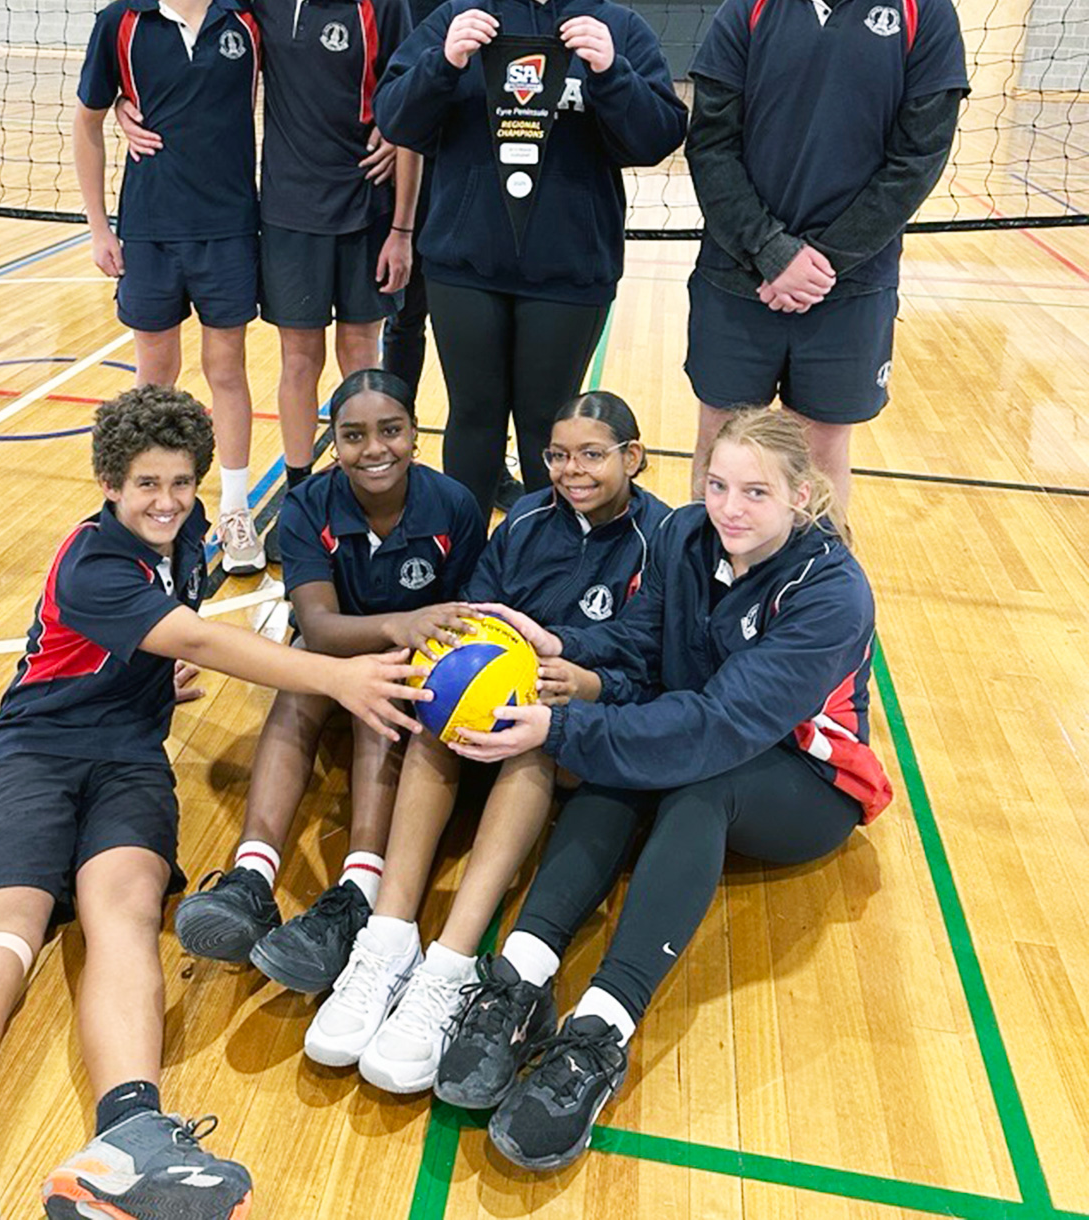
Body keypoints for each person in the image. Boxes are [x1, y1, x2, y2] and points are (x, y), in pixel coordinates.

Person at [0, 384, 426, 1220]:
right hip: (37, 754)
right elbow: (204, 637)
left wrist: (144, 674)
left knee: (128, 916)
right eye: (146, 483)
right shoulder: (95, 559)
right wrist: (341, 677)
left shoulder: (190, 537)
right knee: (4, 932)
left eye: (181, 481)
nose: (167, 500)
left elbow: (163, 631)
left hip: (130, 758)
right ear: (109, 483)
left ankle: (128, 1139)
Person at [431, 407, 893, 1172]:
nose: (729, 508)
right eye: (717, 484)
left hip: (805, 781)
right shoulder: (685, 534)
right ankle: (521, 974)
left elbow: (718, 726)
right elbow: (641, 643)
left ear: (803, 497)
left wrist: (563, 732)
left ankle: (602, 1029)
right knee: (634, 751)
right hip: (698, 730)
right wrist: (562, 645)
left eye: (755, 493)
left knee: (694, 780)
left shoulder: (832, 594)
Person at [302, 391, 670, 1093]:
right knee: (440, 717)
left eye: (591, 454)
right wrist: (468, 669)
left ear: (634, 456)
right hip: (508, 696)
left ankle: (451, 965)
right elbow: (476, 610)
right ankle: (387, 941)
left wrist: (567, 666)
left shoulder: (663, 538)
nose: (570, 470)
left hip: (587, 714)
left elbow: (647, 650)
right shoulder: (525, 518)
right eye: (557, 455)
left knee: (534, 735)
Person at [340, 0, 657, 512]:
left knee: (549, 427)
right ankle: (460, 554)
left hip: (568, 264)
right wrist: (444, 64)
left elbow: (654, 135)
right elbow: (398, 114)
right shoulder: (453, 13)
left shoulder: (615, 27)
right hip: (465, 256)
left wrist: (610, 75)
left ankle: (549, 558)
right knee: (472, 420)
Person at [116, 0, 421, 550]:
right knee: (295, 361)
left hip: (366, 209)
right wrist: (132, 104)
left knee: (361, 355)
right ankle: (300, 492)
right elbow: (181, 16)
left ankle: (368, 487)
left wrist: (402, 211)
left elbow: (410, 112)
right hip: (284, 212)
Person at [684, 0, 969, 509]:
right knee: (723, 441)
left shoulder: (923, 13)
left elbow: (916, 163)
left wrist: (822, 264)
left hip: (851, 285)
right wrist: (773, 252)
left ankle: (814, 605)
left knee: (822, 448)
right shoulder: (748, 5)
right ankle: (698, 596)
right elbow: (710, 145)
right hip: (736, 275)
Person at [174, 369, 485, 995]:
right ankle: (253, 877)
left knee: (382, 692)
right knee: (310, 682)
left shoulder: (454, 505)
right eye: (353, 435)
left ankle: (355, 893)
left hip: (411, 677)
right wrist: (400, 624)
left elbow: (466, 622)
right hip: (333, 661)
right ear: (333, 444)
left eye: (390, 430)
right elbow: (316, 626)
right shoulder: (309, 505)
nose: (374, 449)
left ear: (415, 435)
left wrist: (403, 651)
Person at [73, 0, 265, 578]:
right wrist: (100, 226)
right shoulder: (118, 24)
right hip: (149, 232)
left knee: (227, 371)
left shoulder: (249, 17)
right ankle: (146, 511)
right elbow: (88, 125)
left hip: (227, 229)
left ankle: (238, 511)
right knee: (154, 379)